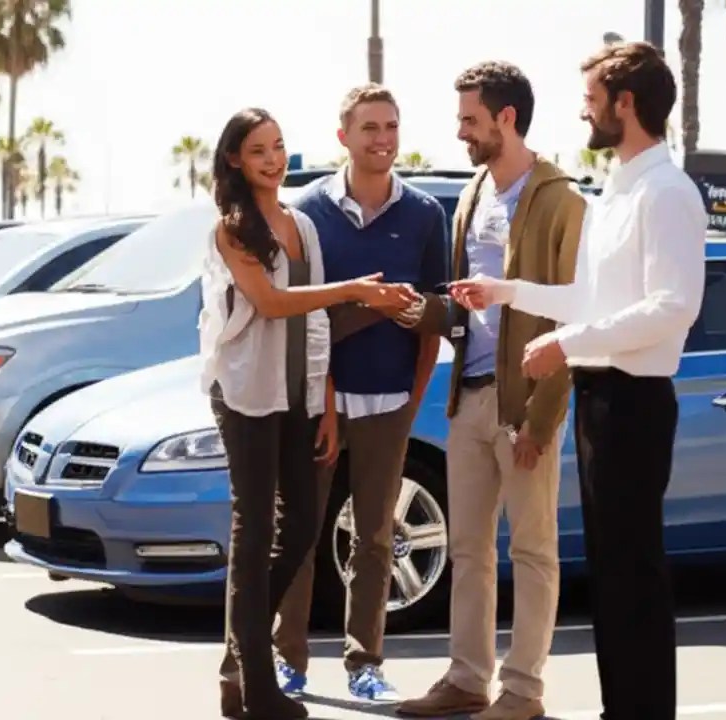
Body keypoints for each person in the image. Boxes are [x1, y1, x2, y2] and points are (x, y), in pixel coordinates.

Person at [449, 42, 706, 720]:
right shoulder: (617, 191)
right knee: (614, 578)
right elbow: (588, 296)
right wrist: (506, 291)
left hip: (635, 402)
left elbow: (674, 307)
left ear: (626, 103)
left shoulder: (668, 192)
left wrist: (566, 342)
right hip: (599, 401)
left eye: (592, 99)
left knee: (635, 577)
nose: (584, 111)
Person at [200, 107, 422, 719]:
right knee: (255, 534)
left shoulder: (300, 223)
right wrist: (356, 290)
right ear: (234, 161)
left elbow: (314, 323)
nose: (272, 160)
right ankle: (254, 684)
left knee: (300, 524)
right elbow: (272, 303)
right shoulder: (230, 229)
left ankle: (237, 669)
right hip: (245, 394)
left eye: (277, 147)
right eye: (258, 151)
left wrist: (323, 404)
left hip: (296, 395)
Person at [395, 62, 584, 720]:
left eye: (470, 119)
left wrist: (541, 417)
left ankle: (524, 692)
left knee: (532, 551)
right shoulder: (473, 191)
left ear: (506, 118)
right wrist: (423, 311)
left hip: (523, 405)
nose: (460, 132)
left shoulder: (561, 199)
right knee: (469, 549)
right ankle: (468, 679)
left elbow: (573, 317)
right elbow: (468, 305)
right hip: (468, 396)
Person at [270, 84, 449, 703]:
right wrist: (360, 303)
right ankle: (287, 660)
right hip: (317, 403)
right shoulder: (305, 212)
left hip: (389, 402)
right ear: (343, 136)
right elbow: (294, 315)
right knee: (300, 529)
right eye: (370, 127)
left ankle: (365, 663)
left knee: (376, 537)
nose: (384, 139)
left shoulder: (426, 214)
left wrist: (412, 395)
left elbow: (443, 315)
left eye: (392, 127)